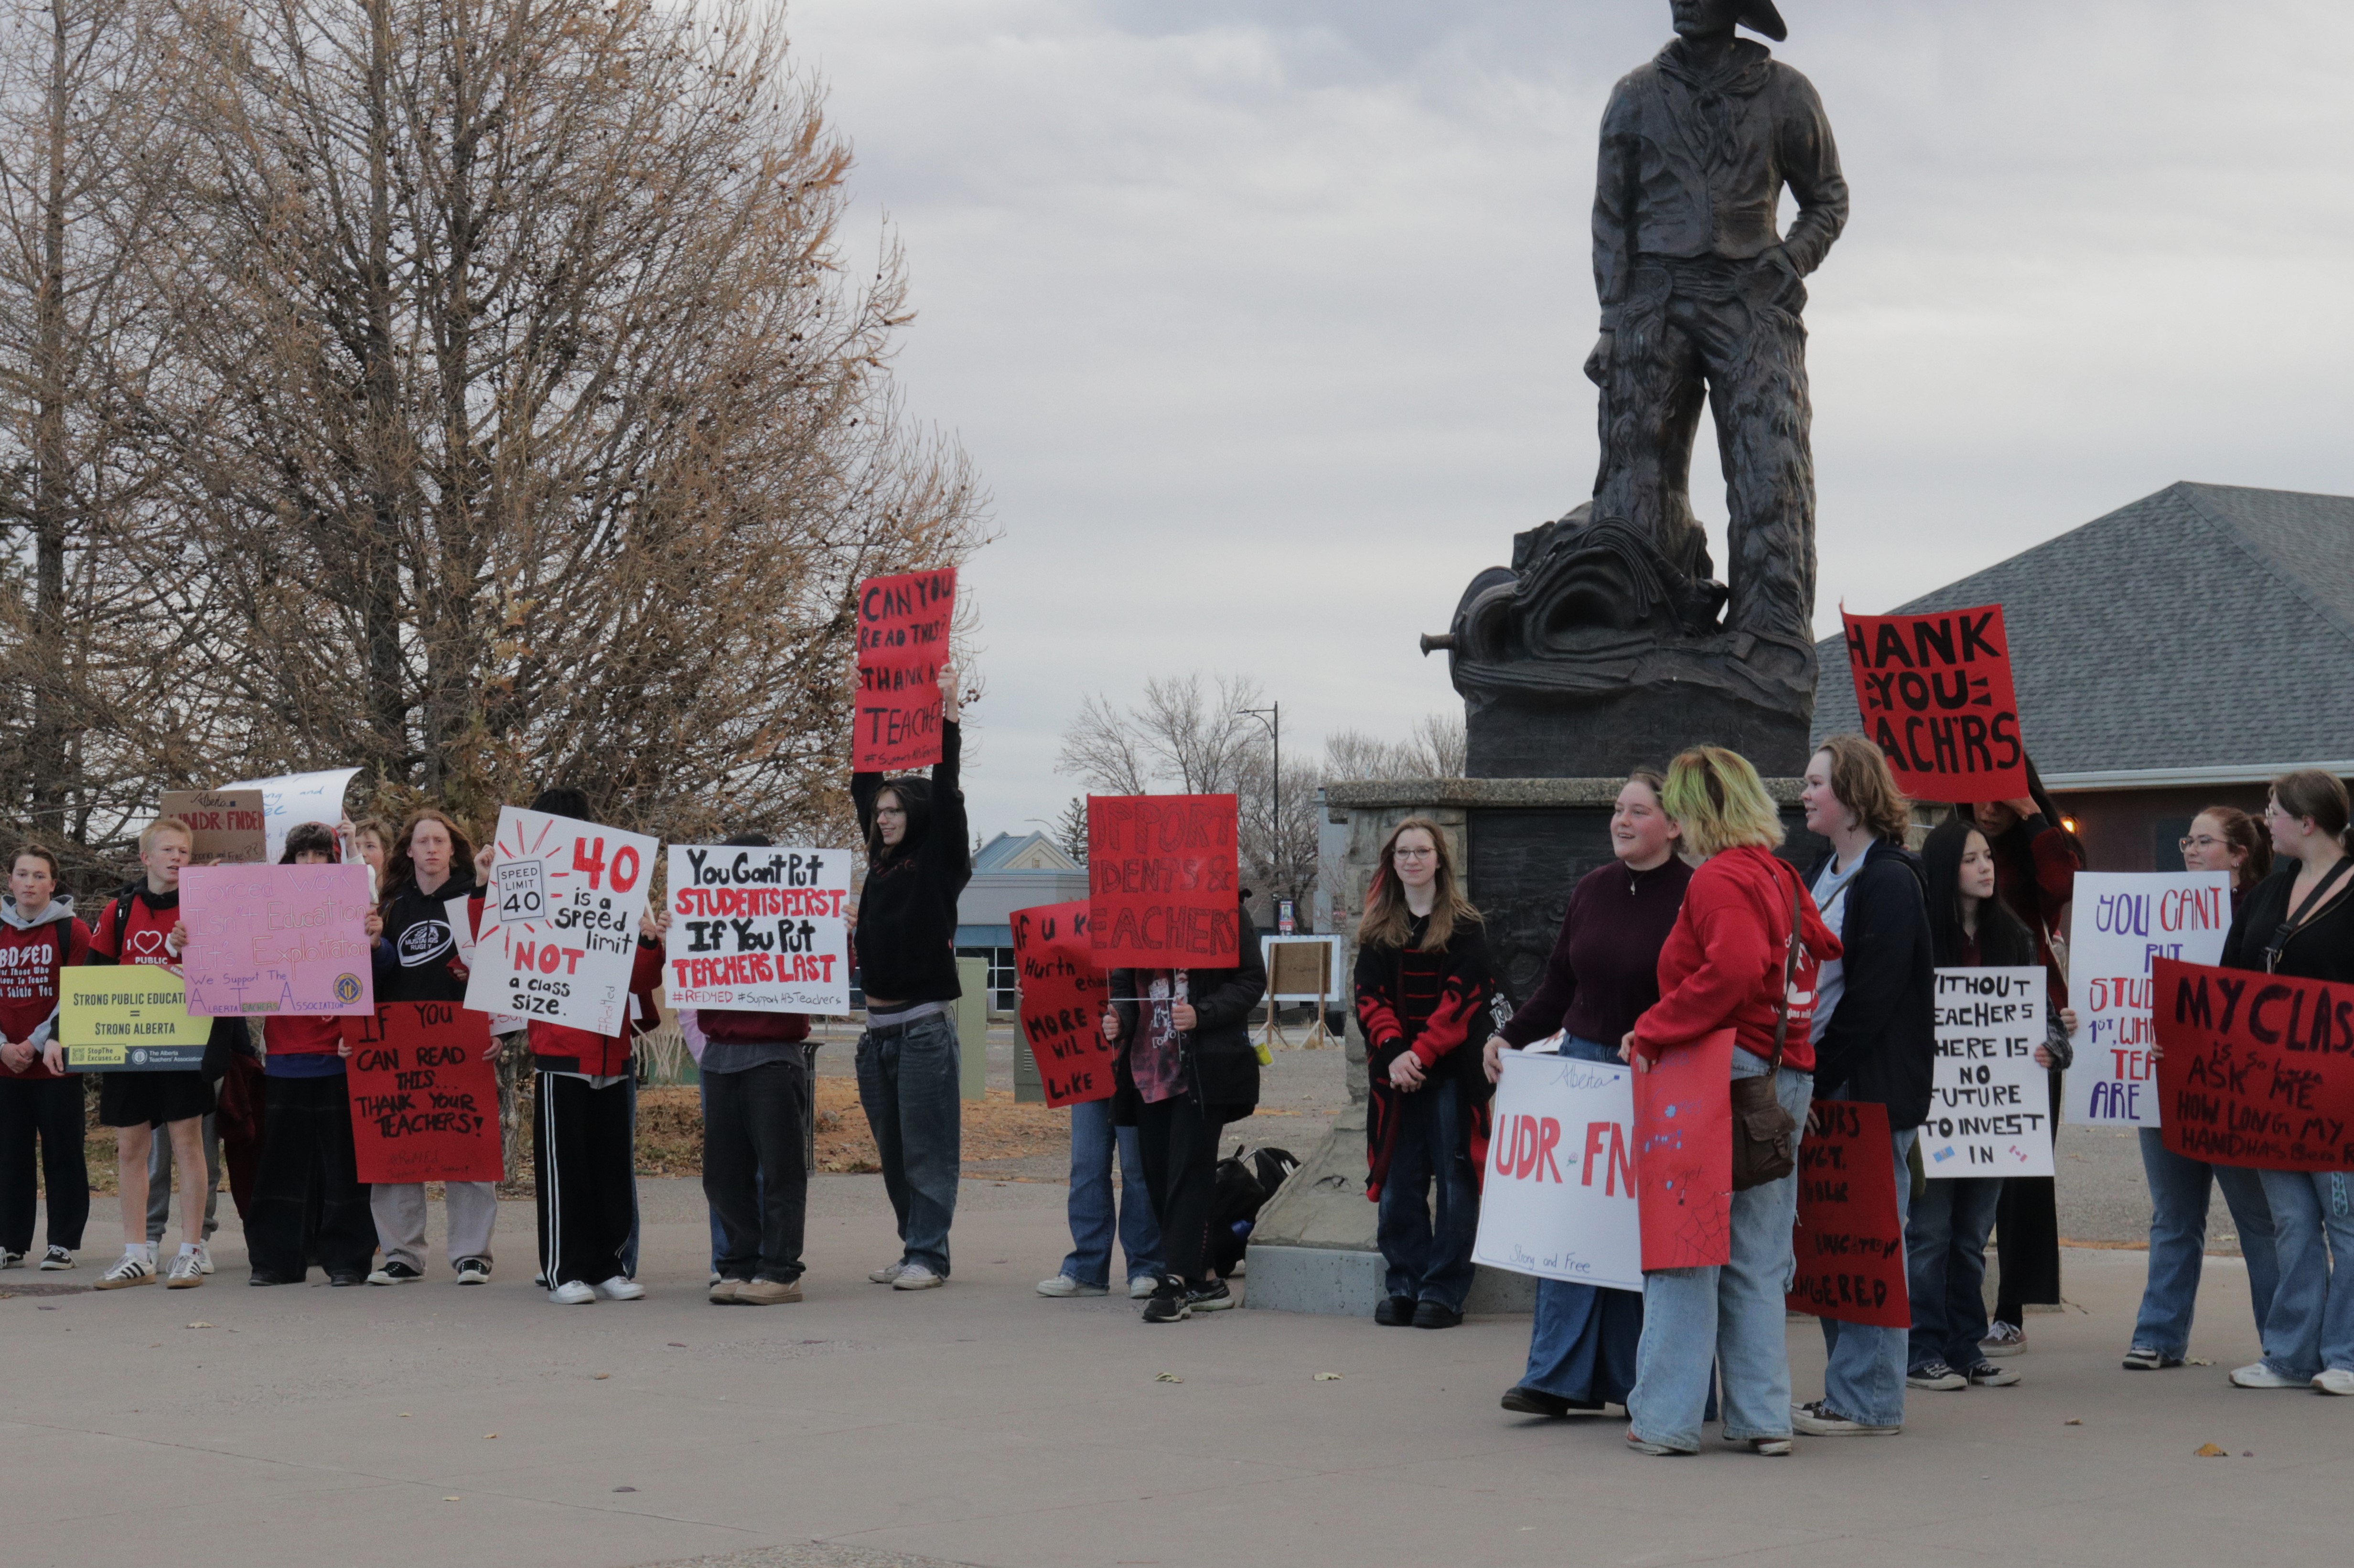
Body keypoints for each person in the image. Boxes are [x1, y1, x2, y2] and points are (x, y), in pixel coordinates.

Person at [1623, 746, 1838, 1456]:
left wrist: (1653, 1025)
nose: (1674, 822)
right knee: (1757, 1256)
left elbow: (1735, 966)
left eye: (1678, 808)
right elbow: (1823, 945)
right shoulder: (1778, 872)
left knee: (1685, 1253)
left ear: (1697, 812)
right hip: (1785, 1073)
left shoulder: (1716, 879)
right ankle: (1761, 1417)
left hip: (1719, 1073)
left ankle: (1664, 1419)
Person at [1487, 772, 1689, 1412]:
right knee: (1571, 1227)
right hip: (1580, 1070)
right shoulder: (1591, 889)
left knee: (1637, 1235)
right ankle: (1552, 1376)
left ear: (1673, 824)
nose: (1621, 820)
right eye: (1617, 809)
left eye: (1637, 810)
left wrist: (1656, 1035)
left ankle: (1638, 1380)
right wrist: (1510, 1036)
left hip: (1655, 1075)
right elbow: (1558, 984)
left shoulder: (1696, 894)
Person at [1789, 736, 1935, 1437]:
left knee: (1871, 1241)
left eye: (1815, 782)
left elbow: (1872, 997)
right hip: (1825, 1081)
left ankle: (1869, 1398)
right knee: (1832, 1242)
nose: (1804, 793)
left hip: (1863, 1088)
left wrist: (1817, 1072)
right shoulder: (1822, 870)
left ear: (1849, 792)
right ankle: (1843, 1390)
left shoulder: (1887, 880)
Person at [1905, 817, 2075, 1393]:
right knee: (1928, 1235)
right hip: (1933, 1114)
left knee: (1972, 1238)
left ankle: (1965, 1346)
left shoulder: (2014, 936)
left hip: (1994, 1114)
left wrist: (2054, 1047)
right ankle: (1921, 1348)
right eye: (1970, 859)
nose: (1985, 867)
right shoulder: (1920, 935)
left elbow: (2047, 1022)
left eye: (1988, 858)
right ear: (1942, 868)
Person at [2120, 805, 2278, 1372]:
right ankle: (2157, 1337)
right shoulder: (2155, 910)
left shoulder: (2263, 913)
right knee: (2173, 1216)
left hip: (2229, 1090)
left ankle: (2283, 1344)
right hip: (2164, 1084)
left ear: (2238, 854)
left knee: (2257, 1222)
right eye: (2187, 839)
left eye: (2204, 841)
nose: (2188, 848)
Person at [2219, 772, 2354, 1393]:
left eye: (2272, 811)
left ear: (2305, 822)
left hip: (2338, 1093)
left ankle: (2345, 1356)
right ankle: (2287, 1354)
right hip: (2269, 1092)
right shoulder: (2267, 894)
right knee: (2293, 1225)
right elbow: (2226, 982)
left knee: (2345, 1224)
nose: (2263, 820)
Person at [650, 833, 815, 1307]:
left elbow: (829, 971)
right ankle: (739, 1265)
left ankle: (781, 1270)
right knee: (723, 1174)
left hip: (773, 1054)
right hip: (720, 1055)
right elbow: (673, 973)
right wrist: (669, 934)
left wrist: (838, 928)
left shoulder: (797, 916)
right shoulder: (702, 913)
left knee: (779, 1170)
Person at [517, 788, 665, 1305]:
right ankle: (565, 1270)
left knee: (610, 1168)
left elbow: (640, 978)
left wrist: (648, 943)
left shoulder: (616, 888)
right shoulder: (528, 883)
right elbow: (497, 947)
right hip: (562, 1052)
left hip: (613, 1051)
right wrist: (488, 882)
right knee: (567, 1170)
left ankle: (610, 1265)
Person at [1354, 817, 1502, 1331]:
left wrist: (1420, 1055)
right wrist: (1395, 1054)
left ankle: (1443, 1290)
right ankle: (1404, 1283)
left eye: (1421, 852)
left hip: (1449, 1077)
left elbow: (1464, 1000)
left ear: (1440, 859)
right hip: (1394, 1078)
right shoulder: (1377, 929)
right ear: (1391, 863)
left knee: (1457, 1185)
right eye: (1402, 854)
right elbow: (1368, 998)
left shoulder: (1466, 927)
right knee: (1399, 1184)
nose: (1411, 861)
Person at [850, 664, 970, 1291]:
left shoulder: (937, 865)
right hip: (875, 1036)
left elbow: (946, 797)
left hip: (922, 1030)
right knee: (894, 1156)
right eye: (881, 811)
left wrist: (949, 715)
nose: (886, 817)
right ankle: (912, 1246)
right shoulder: (878, 866)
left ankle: (930, 1253)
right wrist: (863, 704)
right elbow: (861, 780)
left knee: (927, 1150)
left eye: (896, 810)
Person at [1103, 896, 1268, 1322]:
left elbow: (1252, 979)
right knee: (1158, 1177)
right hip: (1146, 1070)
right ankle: (1204, 1279)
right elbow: (1124, 984)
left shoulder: (1224, 904)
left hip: (1202, 1070)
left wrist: (1203, 1013)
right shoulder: (1134, 905)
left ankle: (1174, 1283)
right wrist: (1119, 1018)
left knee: (1189, 1171)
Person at [1965, 756, 2081, 1356]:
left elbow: (2064, 887)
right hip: (1962, 1024)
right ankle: (1957, 1303)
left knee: (2022, 1169)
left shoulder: (2035, 846)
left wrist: (2034, 816)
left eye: (2002, 797)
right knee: (1959, 1170)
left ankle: (2010, 1307)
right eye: (1979, 795)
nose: (1990, 807)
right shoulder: (1950, 849)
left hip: (2030, 1022)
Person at [365, 808, 498, 1285]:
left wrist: (501, 1031)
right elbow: (370, 978)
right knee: (396, 1148)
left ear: (452, 846)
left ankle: (471, 1255)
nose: (431, 848)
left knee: (468, 1148)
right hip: (397, 1045)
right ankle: (402, 1254)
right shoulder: (390, 907)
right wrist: (356, 1038)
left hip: (463, 1041)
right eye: (422, 841)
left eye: (439, 840)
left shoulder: (474, 896)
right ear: (408, 851)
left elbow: (503, 964)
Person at [86, 818, 217, 1289]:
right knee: (130, 1147)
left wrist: (194, 948)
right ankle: (136, 1254)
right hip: (128, 1043)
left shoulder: (204, 908)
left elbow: (230, 973)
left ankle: (190, 1250)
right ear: (146, 858)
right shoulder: (118, 911)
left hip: (184, 1043)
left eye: (184, 851)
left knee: (187, 1143)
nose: (176, 858)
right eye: (167, 850)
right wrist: (67, 1035)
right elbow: (91, 979)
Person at [246, 823, 376, 1287]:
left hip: (339, 1054)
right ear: (289, 861)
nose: (312, 863)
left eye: (323, 854)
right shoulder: (267, 909)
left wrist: (374, 936)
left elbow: (382, 963)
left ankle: (347, 1261)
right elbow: (230, 951)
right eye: (303, 855)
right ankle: (275, 1262)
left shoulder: (354, 906)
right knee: (280, 1167)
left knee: (344, 1168)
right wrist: (190, 937)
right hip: (285, 1055)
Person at [0, 844, 93, 1272]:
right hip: (4, 1065)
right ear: (10, 881)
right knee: (10, 1155)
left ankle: (63, 1243)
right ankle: (10, 1242)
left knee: (64, 1155)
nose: (30, 883)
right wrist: (4, 1046)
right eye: (23, 875)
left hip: (55, 1064)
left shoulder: (73, 931)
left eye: (39, 876)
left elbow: (75, 996)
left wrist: (35, 1043)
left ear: (53, 885)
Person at [1039, 1051, 1162, 1300]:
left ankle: (1146, 1266)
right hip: (1088, 1059)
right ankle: (1088, 1268)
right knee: (1086, 1165)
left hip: (1136, 1059)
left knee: (1136, 1168)